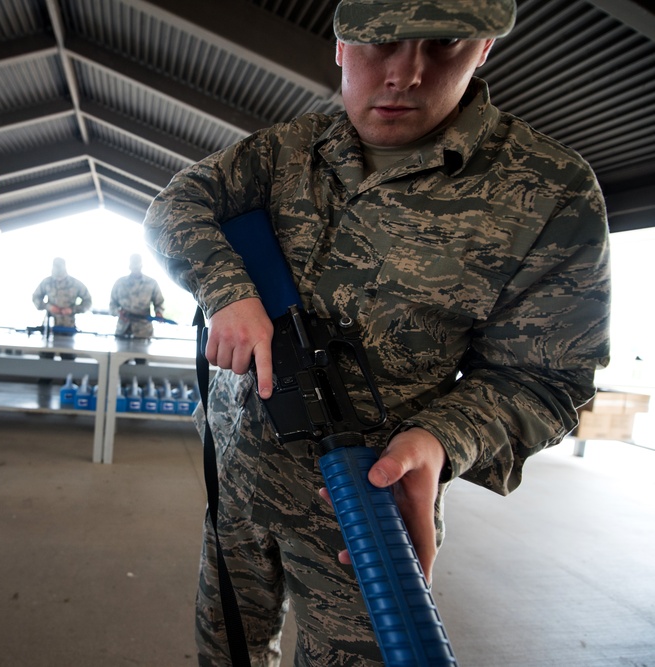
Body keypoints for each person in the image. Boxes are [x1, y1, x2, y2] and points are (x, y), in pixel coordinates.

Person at [143, 0, 611, 664]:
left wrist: (438, 440)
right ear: (338, 46)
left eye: (441, 44)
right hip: (239, 476)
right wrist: (229, 291)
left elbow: (543, 380)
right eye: (377, 44)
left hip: (365, 503)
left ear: (482, 48)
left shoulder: (547, 192)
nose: (404, 74)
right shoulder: (287, 150)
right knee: (224, 650)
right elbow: (178, 203)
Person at [109, 253, 166, 339]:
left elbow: (159, 303)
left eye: (137, 264)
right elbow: (112, 305)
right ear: (129, 265)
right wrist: (118, 313)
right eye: (133, 264)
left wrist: (159, 313)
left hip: (144, 332)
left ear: (141, 265)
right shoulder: (120, 283)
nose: (135, 267)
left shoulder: (152, 283)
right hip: (122, 331)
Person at [31, 257, 93, 331]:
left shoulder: (75, 284)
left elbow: (88, 301)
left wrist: (72, 310)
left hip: (69, 327)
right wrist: (49, 307)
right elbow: (36, 297)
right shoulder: (46, 282)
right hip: (49, 327)